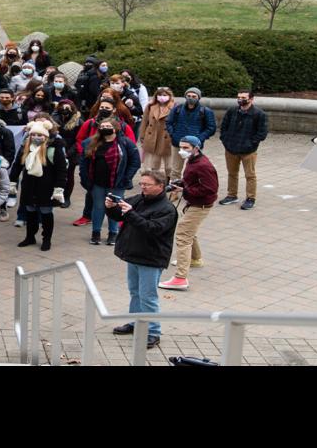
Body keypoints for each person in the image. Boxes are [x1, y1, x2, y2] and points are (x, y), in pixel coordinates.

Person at [107, 165, 177, 349]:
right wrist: (111, 207)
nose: (143, 187)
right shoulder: (140, 199)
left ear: (160, 186)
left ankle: (153, 332)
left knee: (148, 297)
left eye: (147, 184)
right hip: (134, 255)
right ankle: (135, 322)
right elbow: (120, 215)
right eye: (142, 183)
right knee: (135, 292)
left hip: (151, 258)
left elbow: (151, 229)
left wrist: (130, 213)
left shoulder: (167, 209)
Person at [158, 136, 217, 291]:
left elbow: (210, 189)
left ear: (196, 148)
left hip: (200, 205)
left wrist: (185, 190)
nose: (182, 151)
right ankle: (195, 259)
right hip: (194, 203)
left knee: (183, 235)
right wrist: (181, 183)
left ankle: (180, 278)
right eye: (181, 147)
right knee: (189, 231)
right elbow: (192, 180)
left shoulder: (203, 165)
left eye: (186, 148)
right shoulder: (192, 160)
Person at [79, 117, 139, 246]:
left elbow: (135, 162)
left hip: (117, 183)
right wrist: (85, 179)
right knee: (98, 207)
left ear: (115, 128)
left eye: (108, 127)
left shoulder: (125, 143)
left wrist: (127, 178)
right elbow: (83, 162)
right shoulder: (91, 142)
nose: (105, 129)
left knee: (114, 207)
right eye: (102, 127)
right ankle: (96, 233)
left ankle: (113, 233)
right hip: (97, 182)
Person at [13, 120, 69, 252]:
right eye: (33, 135)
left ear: (46, 136)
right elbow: (17, 165)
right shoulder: (26, 147)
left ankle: (46, 239)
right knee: (30, 212)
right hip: (29, 186)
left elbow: (61, 170)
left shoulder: (54, 149)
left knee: (46, 213)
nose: (36, 137)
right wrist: (12, 182)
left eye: (39, 135)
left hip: (46, 187)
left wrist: (59, 188)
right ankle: (30, 237)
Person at [217, 90, 268, 209]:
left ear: (251, 99)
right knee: (232, 173)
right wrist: (225, 141)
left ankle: (250, 198)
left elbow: (262, 133)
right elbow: (223, 127)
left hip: (248, 151)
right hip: (231, 149)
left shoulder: (259, 114)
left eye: (244, 97)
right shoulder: (232, 111)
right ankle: (232, 195)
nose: (240, 99)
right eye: (239, 97)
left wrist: (251, 144)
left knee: (250, 175)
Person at [138, 86, 177, 180]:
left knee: (169, 165)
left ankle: (169, 180)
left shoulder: (175, 107)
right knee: (153, 164)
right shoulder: (150, 106)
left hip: (167, 137)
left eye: (164, 95)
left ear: (169, 96)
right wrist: (142, 135)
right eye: (159, 95)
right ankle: (154, 180)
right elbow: (144, 122)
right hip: (153, 137)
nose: (162, 97)